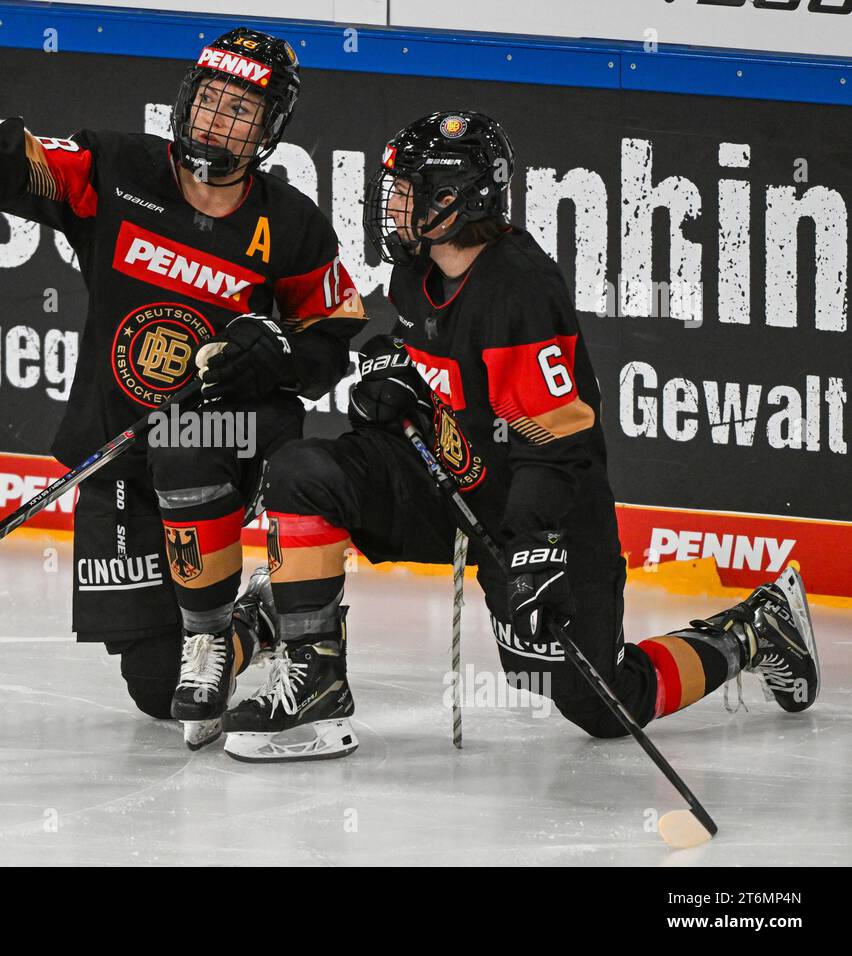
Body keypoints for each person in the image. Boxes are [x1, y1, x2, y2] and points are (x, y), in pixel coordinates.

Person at [0, 28, 366, 746]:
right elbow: (20, 166)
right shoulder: (118, 169)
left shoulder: (289, 225)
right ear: (185, 101)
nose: (216, 122)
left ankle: (226, 626)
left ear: (270, 129)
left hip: (222, 448)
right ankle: (251, 622)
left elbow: (332, 334)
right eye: (209, 101)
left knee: (188, 442)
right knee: (157, 690)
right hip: (123, 448)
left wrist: (273, 351)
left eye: (241, 110)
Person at [220, 110, 819, 762]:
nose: (391, 205)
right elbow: (410, 340)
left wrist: (535, 546)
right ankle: (315, 685)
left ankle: (755, 633)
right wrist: (391, 370)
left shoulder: (520, 291)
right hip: (450, 479)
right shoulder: (417, 268)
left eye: (407, 191)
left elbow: (556, 440)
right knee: (307, 473)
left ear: (453, 200)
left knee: (598, 702)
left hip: (542, 507)